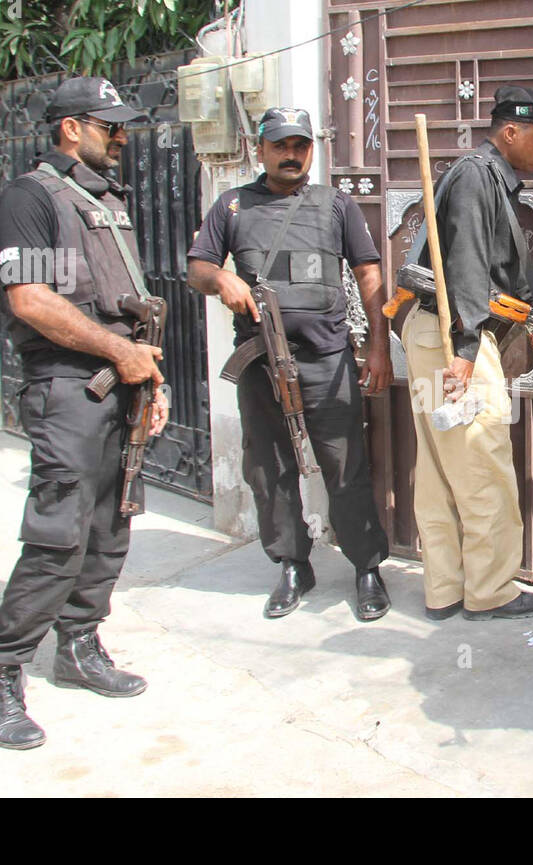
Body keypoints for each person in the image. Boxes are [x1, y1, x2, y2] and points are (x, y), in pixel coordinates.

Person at [0, 77, 169, 749]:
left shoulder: (105, 200)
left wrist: (150, 379)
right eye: (108, 126)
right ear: (69, 129)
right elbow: (31, 300)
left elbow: (128, 299)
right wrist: (119, 351)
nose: (121, 136)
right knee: (60, 534)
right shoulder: (32, 198)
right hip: (67, 389)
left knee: (112, 527)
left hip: (123, 384)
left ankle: (79, 646)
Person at [186, 108, 393, 622]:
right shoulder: (232, 207)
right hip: (261, 363)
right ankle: (293, 564)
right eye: (280, 144)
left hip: (328, 359)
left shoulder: (337, 205)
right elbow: (197, 268)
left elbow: (369, 275)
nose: (291, 154)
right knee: (268, 468)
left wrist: (381, 348)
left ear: (311, 151)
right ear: (260, 149)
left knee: (346, 466)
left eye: (301, 145)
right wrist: (222, 280)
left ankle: (366, 567)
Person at [402, 85, 533, 621]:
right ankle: (492, 591)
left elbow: (509, 266)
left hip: (437, 333)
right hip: (452, 337)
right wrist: (468, 349)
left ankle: (445, 589)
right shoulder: (476, 175)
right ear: (510, 132)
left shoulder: (491, 180)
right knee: (482, 462)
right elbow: (470, 264)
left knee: (442, 464)